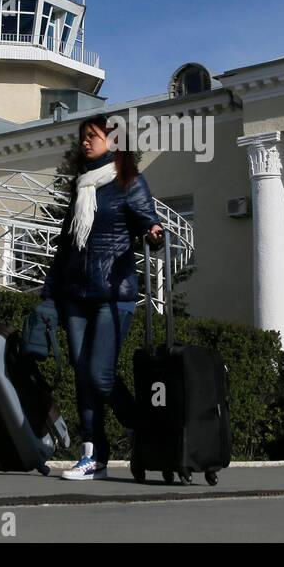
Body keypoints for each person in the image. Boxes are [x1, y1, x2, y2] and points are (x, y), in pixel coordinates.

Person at [40, 115, 164, 481]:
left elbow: (146, 219)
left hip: (114, 292)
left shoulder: (129, 181)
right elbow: (66, 246)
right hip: (75, 293)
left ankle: (140, 424)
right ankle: (92, 454)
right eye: (83, 136)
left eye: (93, 135)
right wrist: (50, 293)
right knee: (83, 376)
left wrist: (154, 232)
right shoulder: (82, 187)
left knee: (100, 374)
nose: (85, 141)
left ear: (114, 142)